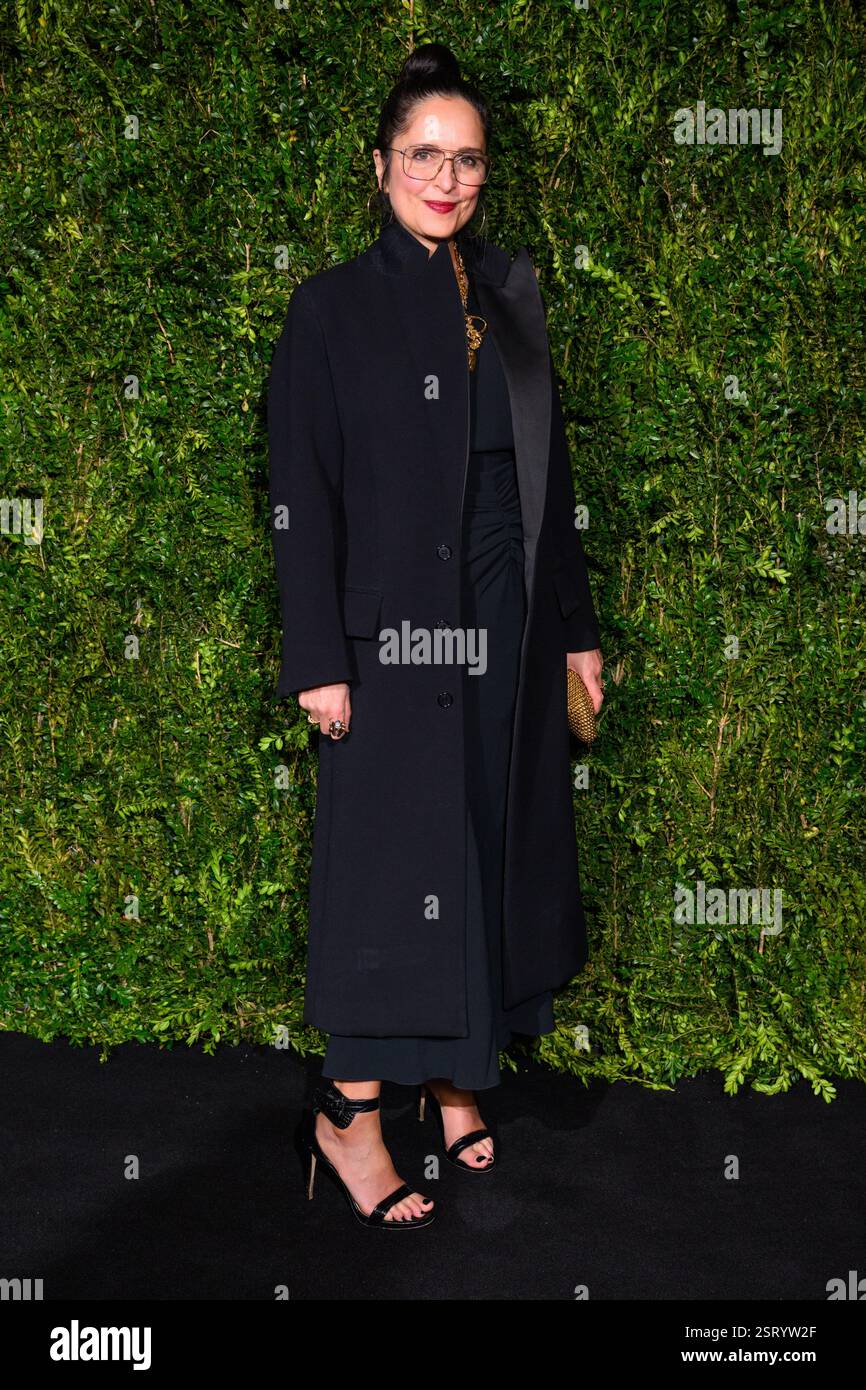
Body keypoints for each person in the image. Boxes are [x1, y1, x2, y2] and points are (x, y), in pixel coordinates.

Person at [268, 42, 604, 1229]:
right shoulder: (330, 309)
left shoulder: (509, 290)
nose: (446, 177)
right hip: (389, 634)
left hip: (501, 615)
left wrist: (571, 627)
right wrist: (315, 655)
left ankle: (461, 1078)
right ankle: (348, 1116)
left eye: (465, 159)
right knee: (389, 869)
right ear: (379, 166)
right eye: (423, 155)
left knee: (484, 843)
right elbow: (299, 490)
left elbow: (542, 476)